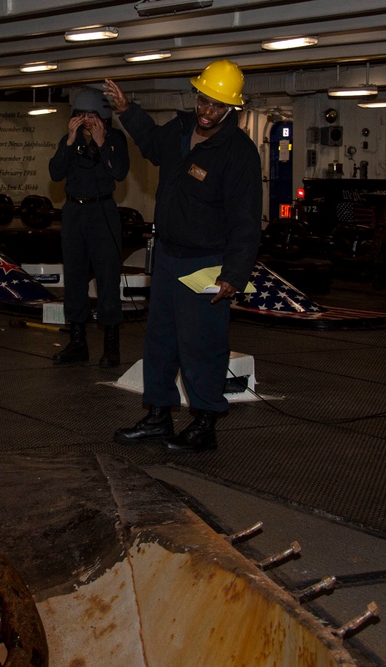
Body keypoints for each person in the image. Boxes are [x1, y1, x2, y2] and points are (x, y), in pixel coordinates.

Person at [104, 60, 262, 452]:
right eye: (203, 102)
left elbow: (246, 220)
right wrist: (128, 111)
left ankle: (205, 423)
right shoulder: (179, 129)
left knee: (202, 344)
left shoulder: (237, 153)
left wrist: (233, 275)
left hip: (207, 264)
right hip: (170, 257)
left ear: (231, 108)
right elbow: (152, 145)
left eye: (216, 107)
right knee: (160, 341)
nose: (207, 112)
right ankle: (159, 416)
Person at [48, 88, 130, 367]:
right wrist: (70, 141)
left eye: (92, 115)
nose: (86, 120)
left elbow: (119, 172)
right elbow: (56, 172)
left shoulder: (115, 138)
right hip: (74, 212)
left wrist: (102, 142)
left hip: (102, 211)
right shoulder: (69, 141)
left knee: (108, 278)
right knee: (74, 276)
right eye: (82, 115)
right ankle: (77, 342)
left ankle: (111, 345)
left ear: (103, 117)